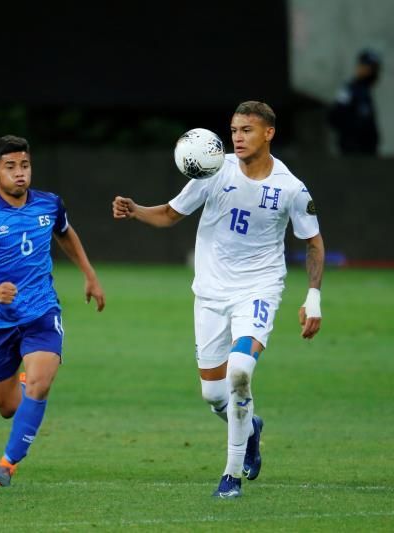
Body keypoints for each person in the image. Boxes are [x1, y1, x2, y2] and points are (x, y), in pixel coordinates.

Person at [112, 101, 324, 498]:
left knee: (240, 372)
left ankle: (231, 477)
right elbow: (172, 214)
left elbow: (312, 241)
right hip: (210, 292)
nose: (237, 137)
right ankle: (250, 426)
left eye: (246, 130)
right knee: (213, 394)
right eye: (234, 130)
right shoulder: (213, 169)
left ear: (268, 133)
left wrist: (313, 297)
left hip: (258, 289)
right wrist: (136, 210)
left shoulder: (291, 187)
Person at [0, 135, 105, 487]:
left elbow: (65, 233)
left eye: (24, 165)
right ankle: (21, 386)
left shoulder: (50, 205)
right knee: (7, 407)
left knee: (40, 383)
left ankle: (8, 463)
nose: (20, 174)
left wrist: (89, 274)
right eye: (10, 167)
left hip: (41, 311)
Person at [328, 48, 382, 155]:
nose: (372, 71)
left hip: (366, 152)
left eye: (374, 68)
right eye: (370, 67)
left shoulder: (365, 92)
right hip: (352, 152)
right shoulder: (350, 90)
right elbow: (334, 116)